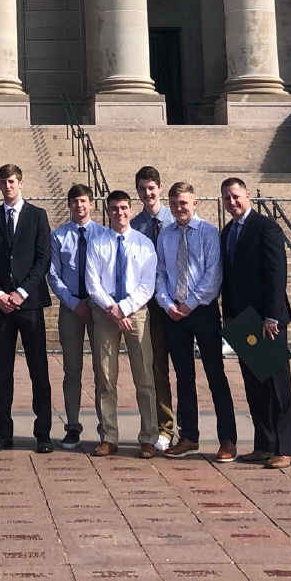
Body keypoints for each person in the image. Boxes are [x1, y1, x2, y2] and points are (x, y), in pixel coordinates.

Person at [153, 182, 238, 462]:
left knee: (215, 375)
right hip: (174, 313)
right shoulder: (165, 234)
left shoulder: (209, 232)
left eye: (184, 203)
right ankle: (189, 436)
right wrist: (168, 304)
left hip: (202, 310)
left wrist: (189, 305)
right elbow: (161, 273)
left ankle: (227, 439)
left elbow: (213, 274)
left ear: (195, 203)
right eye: (175, 204)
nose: (179, 208)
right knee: (184, 378)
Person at [220, 177, 291, 469]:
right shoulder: (227, 232)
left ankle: (284, 447)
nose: (232, 202)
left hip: (267, 322)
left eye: (236, 196)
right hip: (242, 322)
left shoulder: (266, 227)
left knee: (278, 387)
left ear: (248, 195)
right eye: (227, 198)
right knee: (255, 386)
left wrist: (272, 315)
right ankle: (264, 444)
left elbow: (277, 274)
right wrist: (230, 317)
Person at [0, 162, 53, 453]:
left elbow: (43, 258)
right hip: (1, 308)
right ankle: (2, 432)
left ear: (21, 183)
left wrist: (21, 292)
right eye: (2, 182)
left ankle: (43, 433)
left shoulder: (37, 215)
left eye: (11, 181)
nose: (7, 186)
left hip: (30, 304)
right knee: (2, 371)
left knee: (39, 369)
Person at [84, 190, 160, 458]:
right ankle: (108, 435)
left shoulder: (143, 244)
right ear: (108, 211)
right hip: (105, 314)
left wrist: (125, 308)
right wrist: (112, 309)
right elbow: (92, 283)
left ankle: (149, 436)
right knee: (105, 378)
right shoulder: (97, 242)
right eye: (114, 208)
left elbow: (147, 285)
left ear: (131, 210)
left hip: (136, 314)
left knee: (145, 377)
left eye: (124, 208)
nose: (119, 212)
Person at [46, 183, 103, 449]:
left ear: (91, 204)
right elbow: (54, 275)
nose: (79, 205)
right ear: (68, 205)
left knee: (103, 370)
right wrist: (73, 302)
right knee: (72, 370)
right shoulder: (58, 236)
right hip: (71, 310)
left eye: (83, 201)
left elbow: (107, 270)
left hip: (99, 308)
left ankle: (106, 426)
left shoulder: (104, 235)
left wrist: (93, 301)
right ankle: (72, 425)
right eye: (74, 201)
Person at [131, 165, 176, 454]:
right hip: (151, 307)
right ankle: (165, 427)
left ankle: (190, 429)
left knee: (184, 370)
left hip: (181, 304)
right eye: (142, 189)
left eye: (152, 188)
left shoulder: (178, 217)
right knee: (157, 368)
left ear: (160, 188)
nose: (148, 193)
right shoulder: (134, 225)